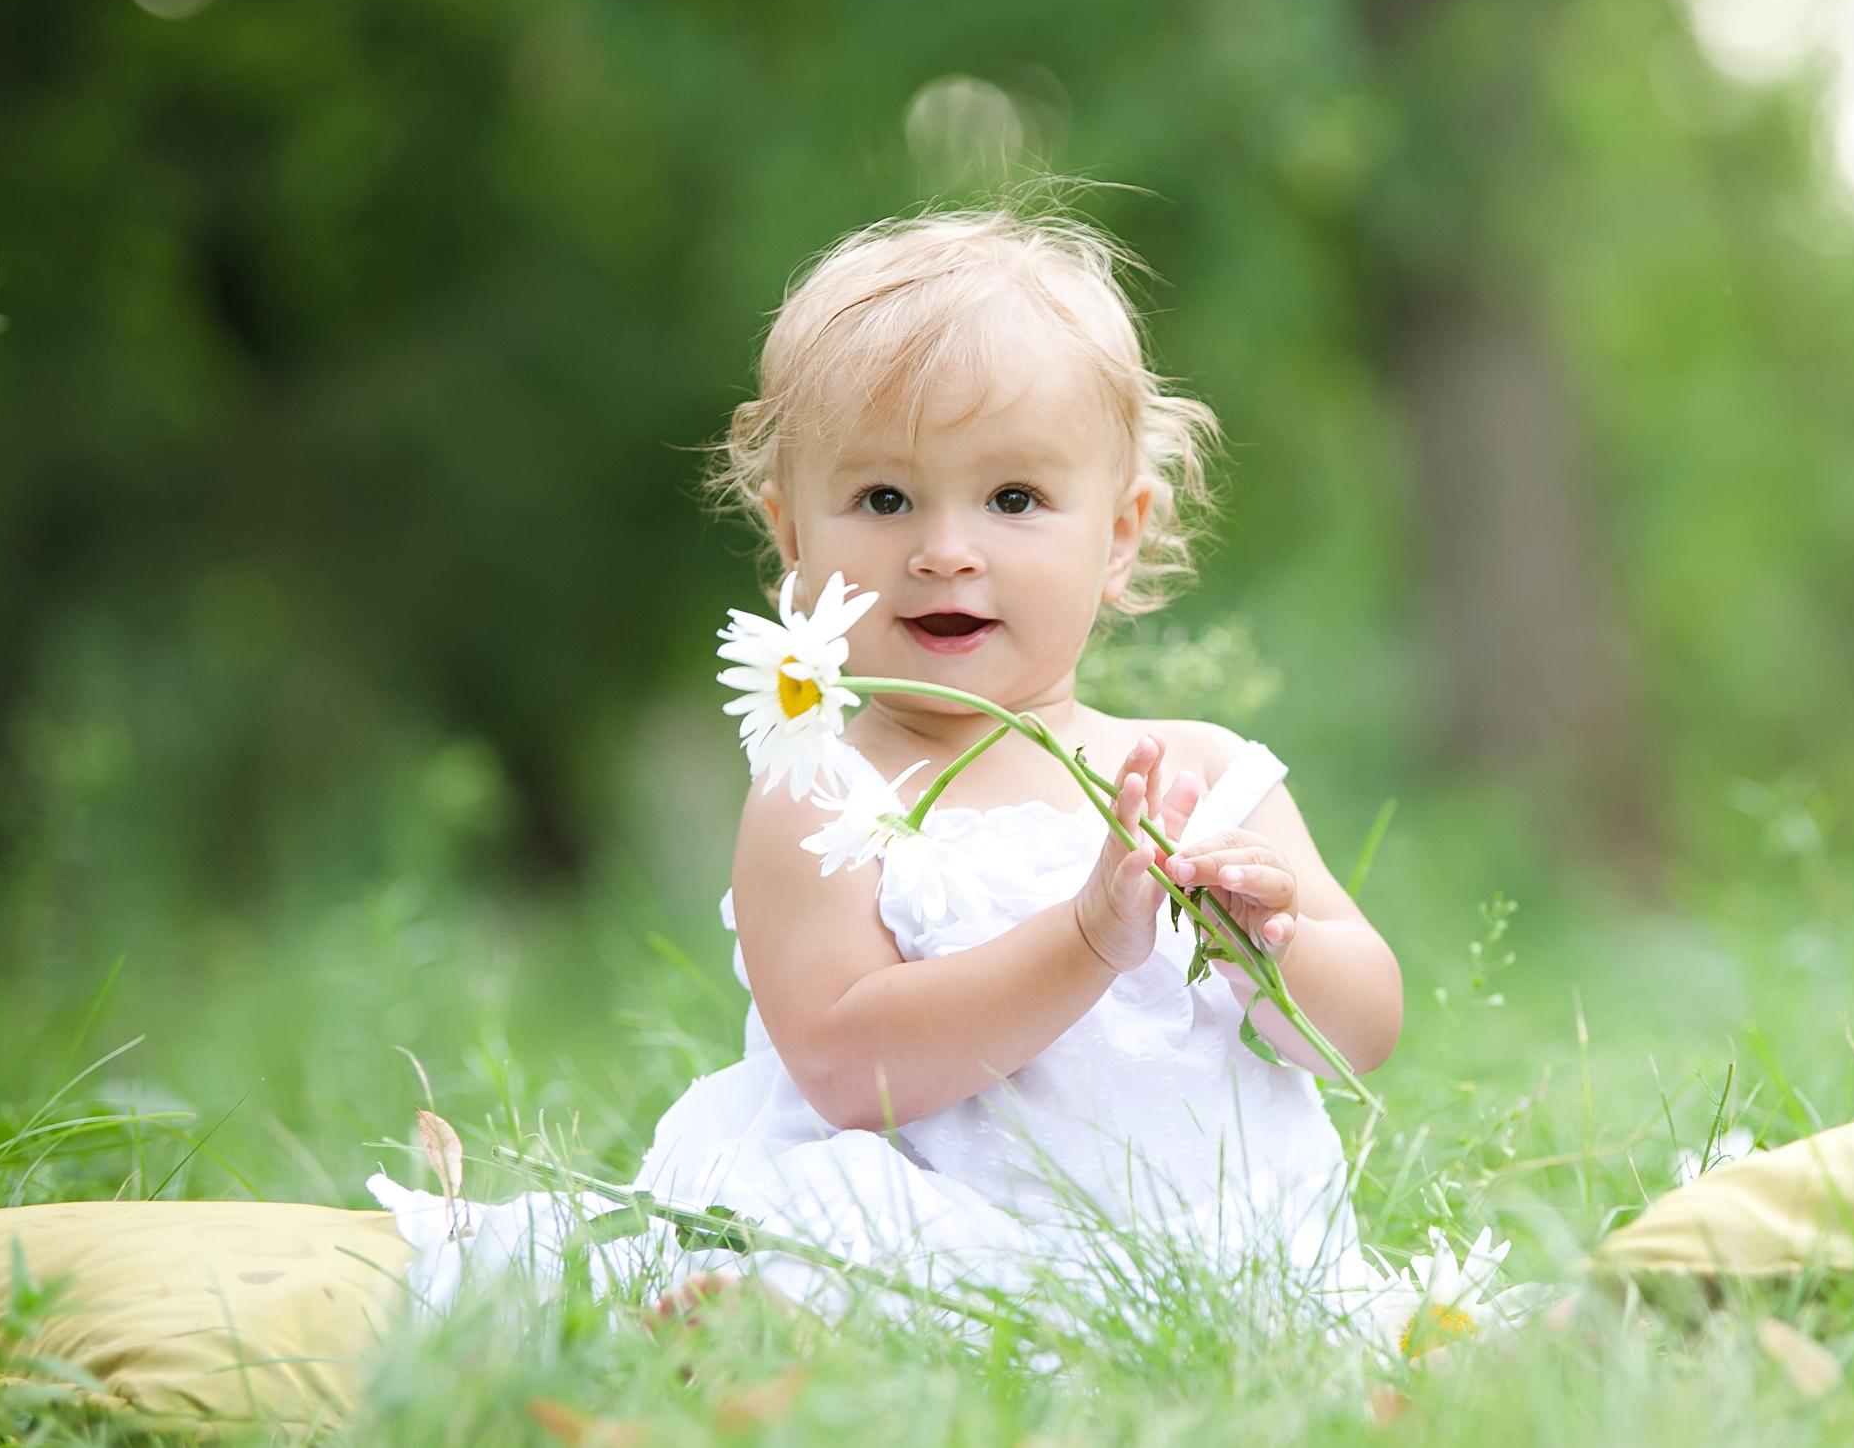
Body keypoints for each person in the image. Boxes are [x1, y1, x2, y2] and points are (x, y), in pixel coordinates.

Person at [367, 205, 1405, 1340]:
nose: (942, 549)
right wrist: (1088, 939)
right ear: (792, 540)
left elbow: (1356, 1030)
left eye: (1011, 499)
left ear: (1117, 535)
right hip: (943, 1229)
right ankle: (778, 1333)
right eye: (883, 498)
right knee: (838, 1239)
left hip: (1211, 1244)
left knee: (1343, 1323)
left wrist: (1272, 944)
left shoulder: (1199, 771)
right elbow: (845, 1066)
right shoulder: (821, 791)